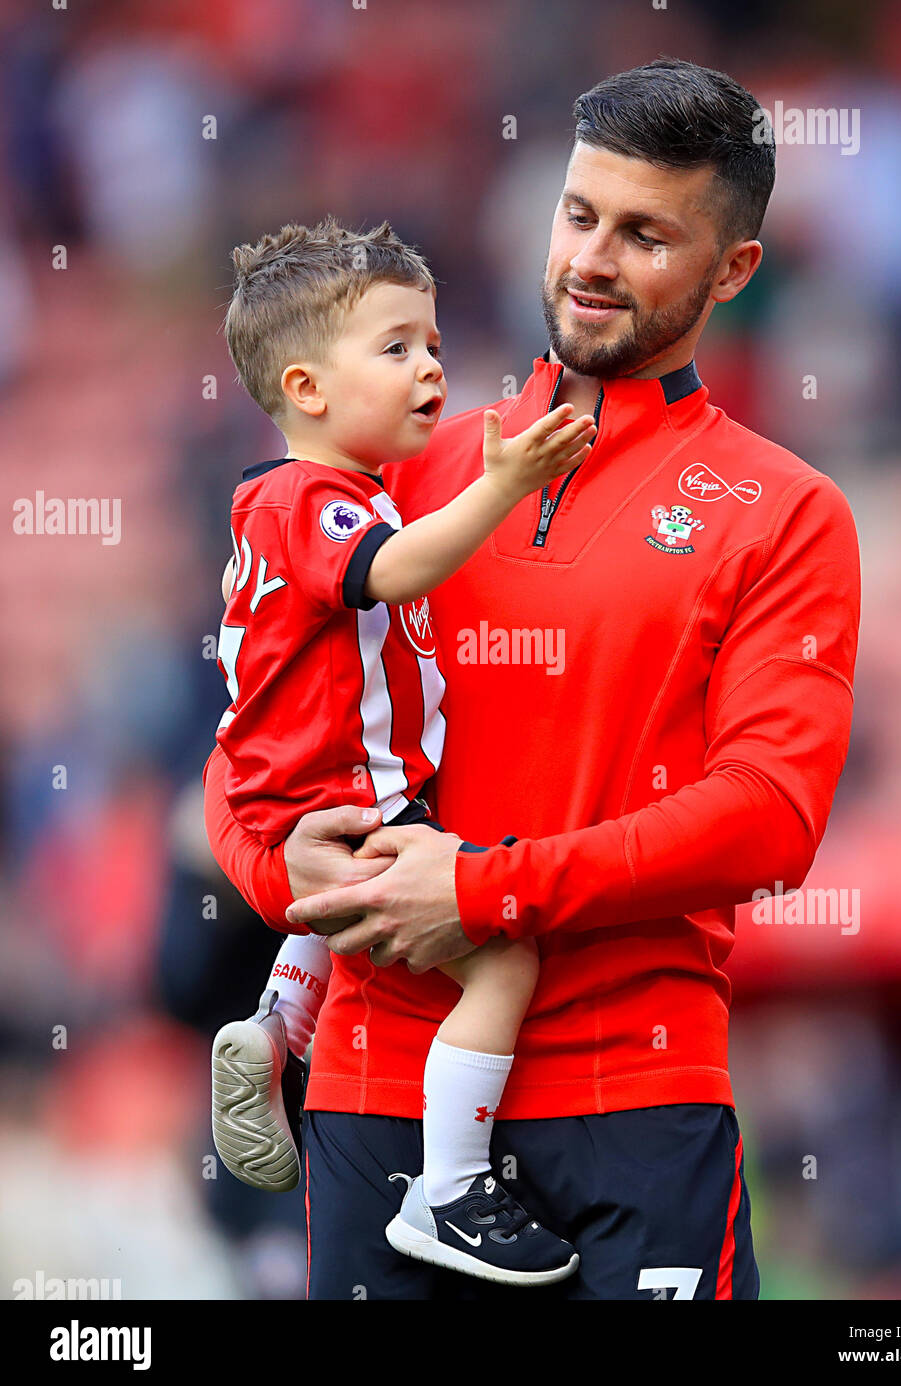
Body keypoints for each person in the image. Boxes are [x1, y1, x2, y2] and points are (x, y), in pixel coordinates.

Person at [204, 58, 861, 1300]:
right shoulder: (389, 473)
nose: (593, 260)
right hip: (373, 1100)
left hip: (637, 1095)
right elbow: (246, 741)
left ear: (733, 272)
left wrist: (489, 892)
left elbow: (774, 815)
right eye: (578, 215)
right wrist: (272, 865)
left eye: (646, 234)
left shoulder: (788, 513)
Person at [209, 214, 596, 1286]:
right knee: (504, 954)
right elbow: (400, 569)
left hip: (301, 798)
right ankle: (452, 1184)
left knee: (346, 901)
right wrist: (506, 485)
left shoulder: (284, 498)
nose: (428, 365)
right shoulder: (314, 502)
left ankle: (280, 1016)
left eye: (431, 343)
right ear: (307, 388)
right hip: (351, 795)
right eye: (394, 348)